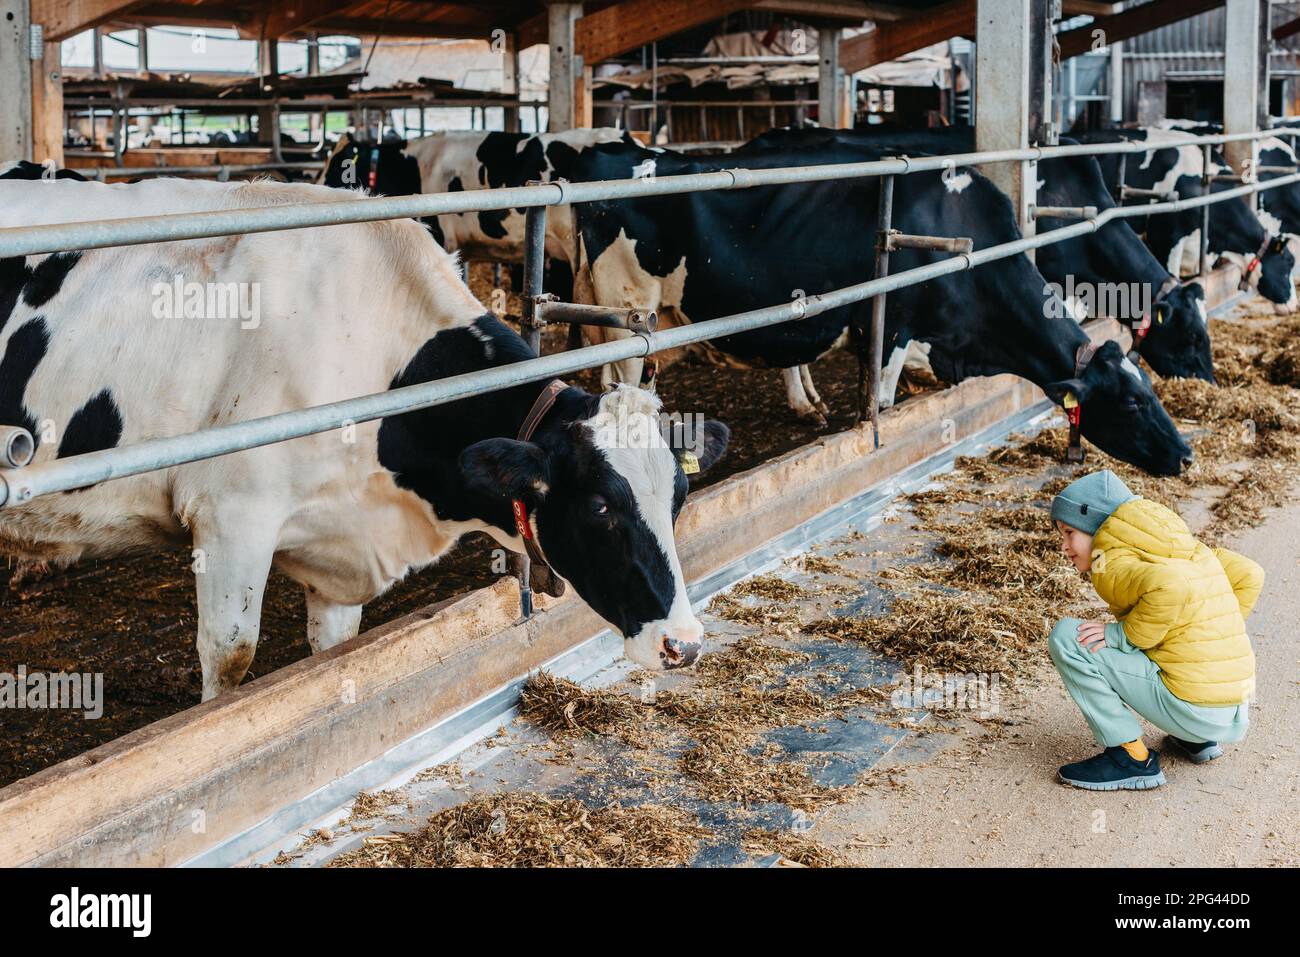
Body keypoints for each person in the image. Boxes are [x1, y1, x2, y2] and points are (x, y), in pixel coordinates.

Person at [1046, 469, 1261, 790]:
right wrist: (1210, 638)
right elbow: (1249, 573)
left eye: (1069, 533)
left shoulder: (1110, 559)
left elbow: (1170, 588)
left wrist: (1121, 635)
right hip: (1232, 711)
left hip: (1196, 709)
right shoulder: (1181, 547)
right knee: (1160, 632)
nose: (1063, 546)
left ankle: (1128, 757)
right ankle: (1196, 740)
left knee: (1066, 637)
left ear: (1096, 525)